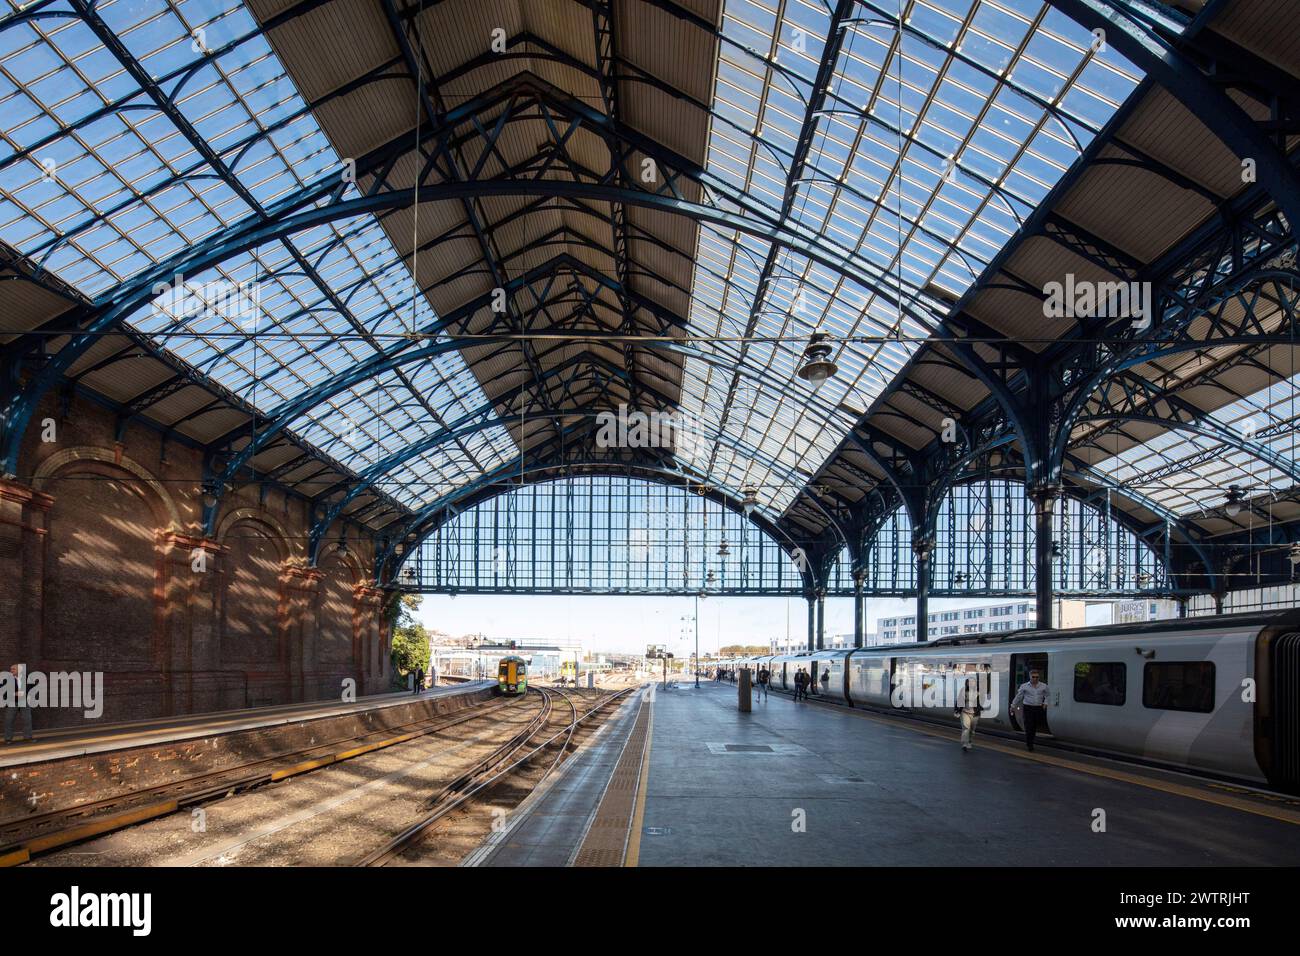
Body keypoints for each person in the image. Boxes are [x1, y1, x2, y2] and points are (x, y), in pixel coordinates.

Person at [1011, 668, 1050, 751]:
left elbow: (1047, 695)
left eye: (1037, 677)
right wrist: (1013, 705)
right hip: (1028, 708)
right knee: (1029, 726)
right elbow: (1019, 696)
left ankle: (1031, 740)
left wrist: (1045, 703)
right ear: (1030, 677)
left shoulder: (1043, 686)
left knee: (1034, 726)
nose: (1035, 679)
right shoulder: (1024, 686)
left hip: (1038, 708)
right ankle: (1030, 744)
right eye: (1033, 677)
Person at [3, 663, 33, 745]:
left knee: (27, 720)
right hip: (12, 701)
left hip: (24, 701)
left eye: (13, 669)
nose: (11, 670)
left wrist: (27, 694)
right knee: (9, 720)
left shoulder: (26, 678)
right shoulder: (7, 679)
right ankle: (8, 739)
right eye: (11, 669)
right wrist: (13, 694)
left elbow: (31, 688)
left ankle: (28, 737)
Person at [954, 676, 982, 752]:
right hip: (965, 712)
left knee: (972, 730)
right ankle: (964, 744)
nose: (971, 683)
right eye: (969, 682)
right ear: (967, 683)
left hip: (975, 714)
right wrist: (956, 710)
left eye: (973, 682)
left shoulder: (979, 691)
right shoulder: (963, 690)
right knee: (966, 728)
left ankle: (969, 741)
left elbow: (981, 702)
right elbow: (959, 701)